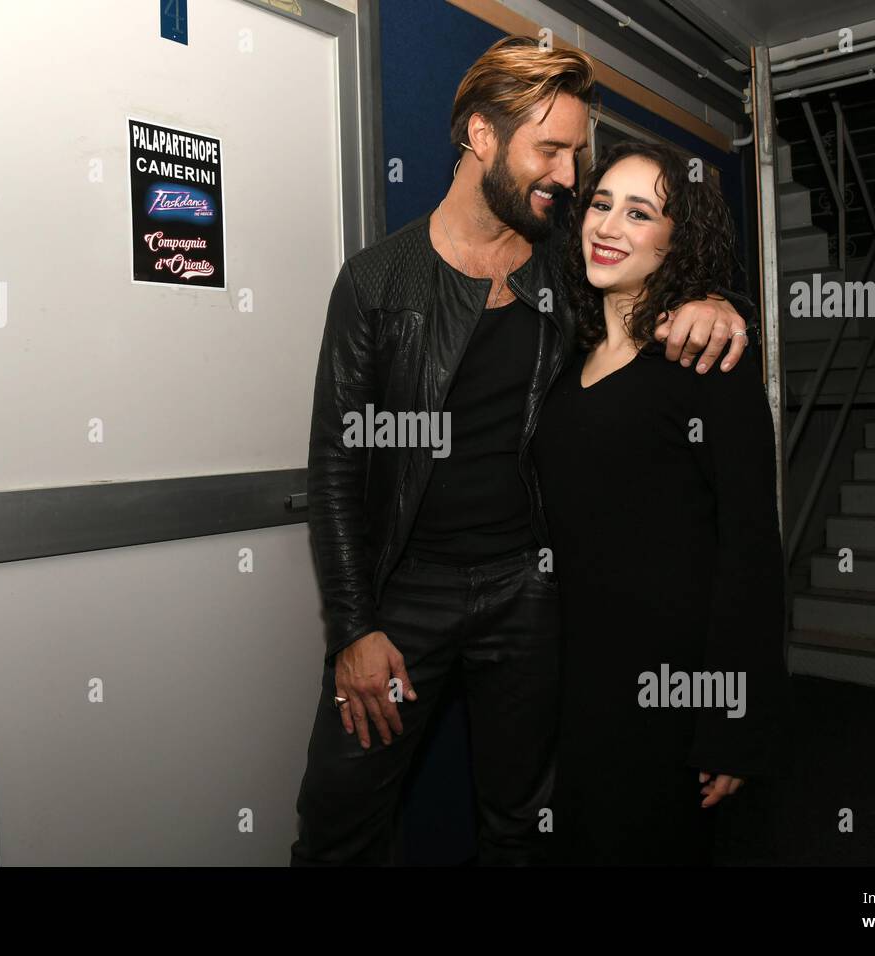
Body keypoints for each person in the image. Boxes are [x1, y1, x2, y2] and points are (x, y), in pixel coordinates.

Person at [290, 36, 758, 866]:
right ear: (481, 137)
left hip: (531, 593)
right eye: (551, 150)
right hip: (407, 597)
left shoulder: (564, 271)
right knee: (340, 814)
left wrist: (718, 301)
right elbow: (335, 466)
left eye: (576, 154)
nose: (570, 178)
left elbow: (659, 268)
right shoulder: (378, 282)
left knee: (526, 821)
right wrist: (354, 626)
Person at [532, 141, 791, 865]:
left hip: (673, 688)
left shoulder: (708, 363)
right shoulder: (564, 363)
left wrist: (736, 717)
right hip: (579, 682)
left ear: (679, 240)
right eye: (602, 204)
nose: (608, 226)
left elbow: (750, 549)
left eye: (640, 213)